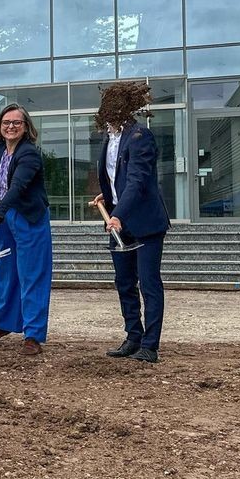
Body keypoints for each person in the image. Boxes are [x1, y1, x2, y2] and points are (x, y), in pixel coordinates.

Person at [94, 111, 170, 363]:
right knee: (124, 283)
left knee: (148, 283)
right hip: (118, 220)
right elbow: (117, 177)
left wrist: (120, 213)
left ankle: (150, 346)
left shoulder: (140, 136)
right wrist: (110, 198)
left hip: (144, 222)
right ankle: (133, 337)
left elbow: (138, 179)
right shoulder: (107, 139)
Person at [0, 104, 52, 355]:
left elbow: (18, 187)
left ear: (26, 127)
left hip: (28, 218)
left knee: (32, 275)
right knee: (5, 273)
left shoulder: (30, 153)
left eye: (16, 123)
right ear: (0, 126)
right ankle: (2, 324)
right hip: (3, 216)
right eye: (6, 122)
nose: (10, 126)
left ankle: (33, 334)